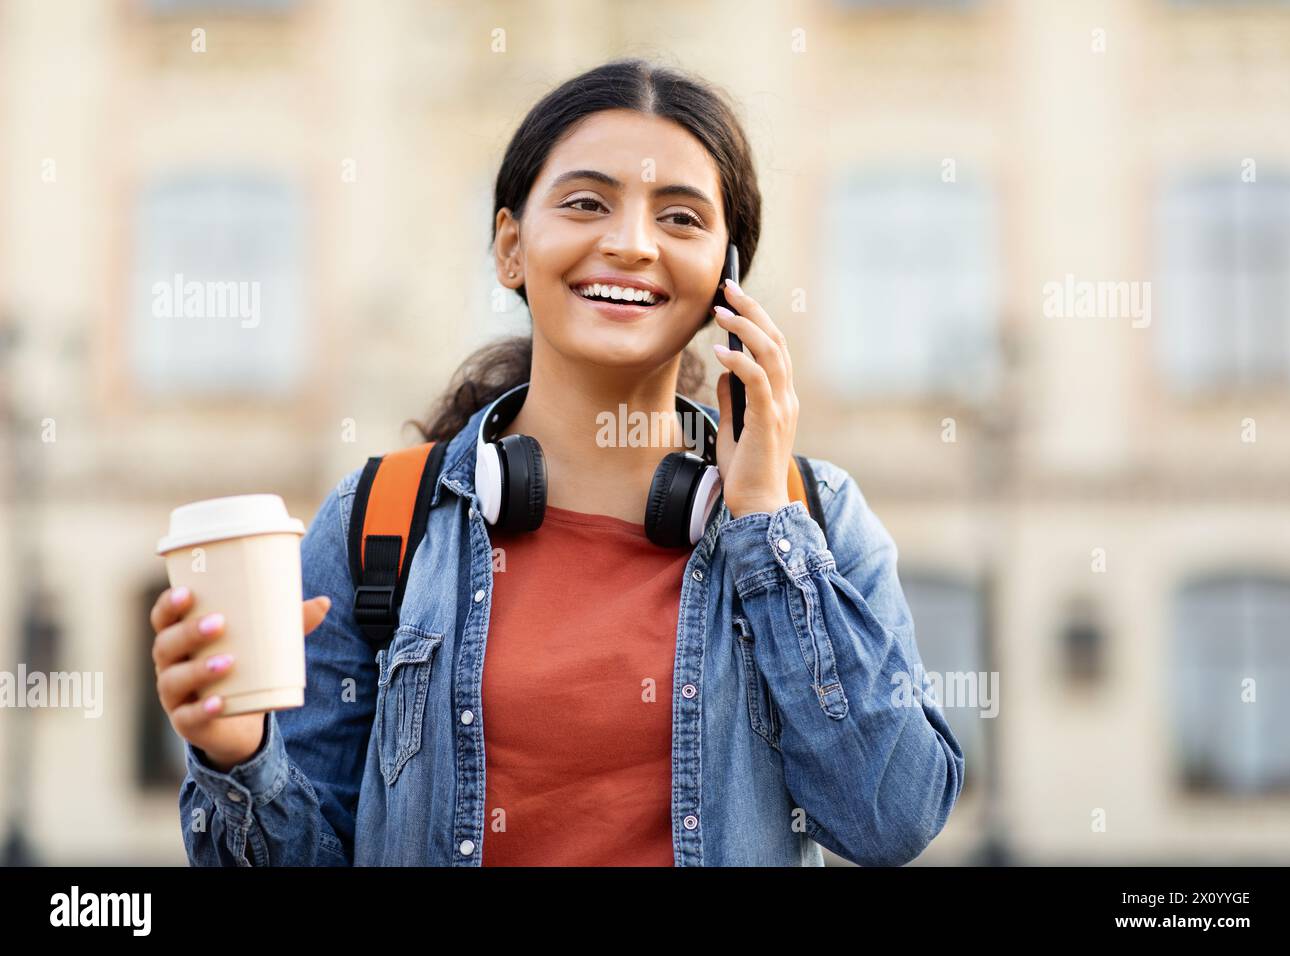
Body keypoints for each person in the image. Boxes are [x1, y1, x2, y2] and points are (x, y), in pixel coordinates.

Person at [149, 57, 963, 866]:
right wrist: (236, 754)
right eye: (585, 203)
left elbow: (890, 821)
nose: (632, 244)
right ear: (511, 247)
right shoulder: (379, 521)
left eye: (680, 218)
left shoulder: (814, 516)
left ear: (728, 280)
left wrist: (765, 529)